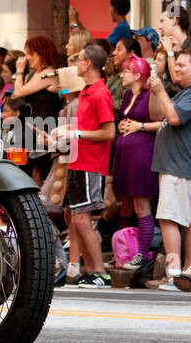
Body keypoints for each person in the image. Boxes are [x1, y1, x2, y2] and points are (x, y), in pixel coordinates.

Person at [146, 48, 191, 281]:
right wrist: (155, 92)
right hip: (178, 164)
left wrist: (160, 89)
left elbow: (174, 118)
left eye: (181, 66)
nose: (176, 69)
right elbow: (158, 114)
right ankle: (188, 271)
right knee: (189, 219)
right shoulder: (188, 93)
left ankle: (175, 271)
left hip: (179, 165)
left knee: (169, 217)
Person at [53, 44, 116, 286]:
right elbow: (87, 126)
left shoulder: (100, 93)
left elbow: (108, 132)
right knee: (74, 217)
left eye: (79, 60)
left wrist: (76, 134)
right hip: (79, 162)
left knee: (81, 220)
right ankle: (91, 270)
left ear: (88, 63)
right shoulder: (87, 91)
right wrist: (68, 129)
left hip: (91, 163)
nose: (75, 64)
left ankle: (99, 271)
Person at [111, 55, 158, 268]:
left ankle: (142, 252)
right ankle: (126, 249)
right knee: (126, 205)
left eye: (126, 71)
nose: (122, 74)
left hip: (142, 155)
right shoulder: (129, 93)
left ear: (138, 75)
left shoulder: (150, 95)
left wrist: (138, 127)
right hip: (126, 156)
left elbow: (162, 121)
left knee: (142, 206)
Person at [9, 35, 63, 183]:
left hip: (45, 128)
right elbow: (17, 95)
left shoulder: (49, 73)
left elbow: (19, 91)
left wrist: (19, 71)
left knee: (39, 174)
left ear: (42, 54)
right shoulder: (33, 75)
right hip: (31, 128)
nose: (27, 58)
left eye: (30, 54)